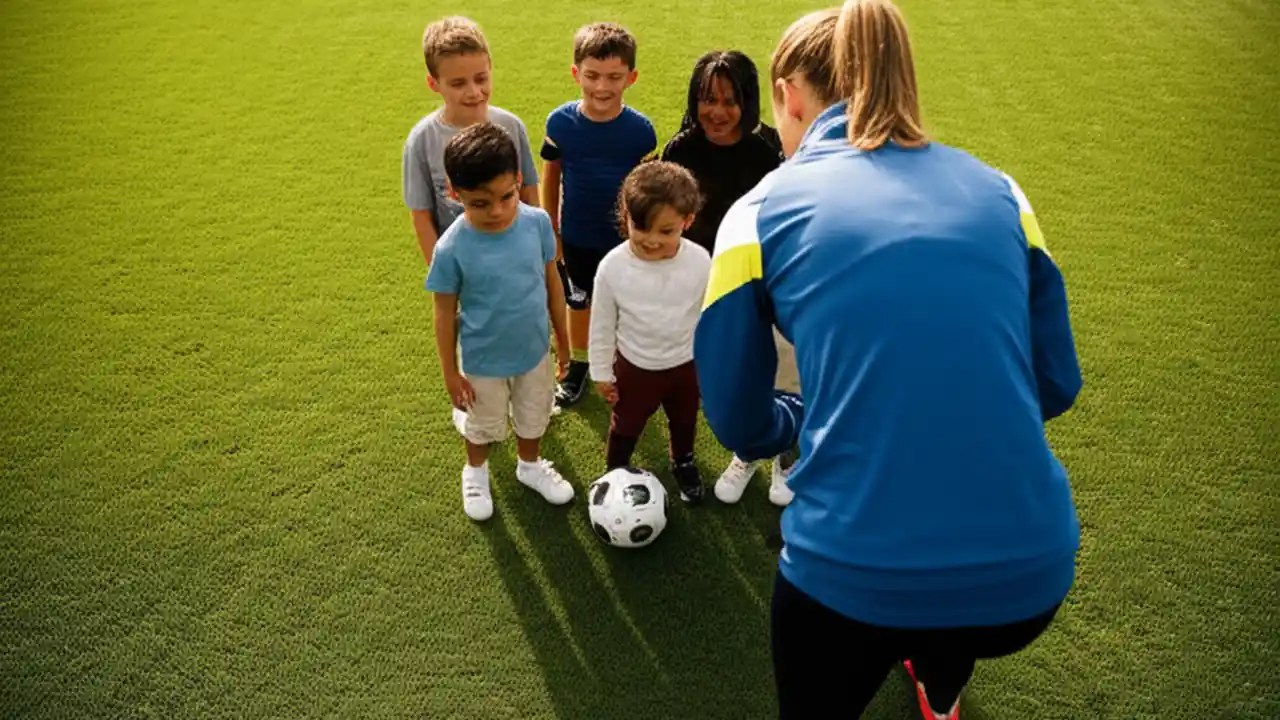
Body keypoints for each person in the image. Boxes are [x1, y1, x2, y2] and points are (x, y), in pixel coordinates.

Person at [693, 3, 1084, 719]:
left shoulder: (757, 211)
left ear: (787, 95)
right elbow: (1056, 383)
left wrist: (804, 415)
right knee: (949, 615)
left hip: (849, 581)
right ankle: (940, 689)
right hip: (1028, 580)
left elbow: (741, 423)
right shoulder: (1003, 191)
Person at [658, 50, 797, 507]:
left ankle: (785, 458)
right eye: (707, 99)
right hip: (704, 280)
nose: (716, 112)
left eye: (728, 100)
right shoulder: (680, 150)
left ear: (749, 101)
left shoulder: (769, 149)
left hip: (760, 279)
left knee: (775, 367)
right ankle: (748, 451)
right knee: (730, 370)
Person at [426, 123, 574, 523]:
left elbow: (552, 281)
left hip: (533, 351)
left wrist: (563, 337)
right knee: (482, 425)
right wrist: (450, 374)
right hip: (482, 361)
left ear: (519, 180)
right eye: (479, 203)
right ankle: (475, 471)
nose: (496, 211)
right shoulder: (452, 247)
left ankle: (529, 465)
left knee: (534, 412)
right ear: (454, 194)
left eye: (507, 196)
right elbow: (443, 312)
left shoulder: (537, 223)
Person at [402, 15, 542, 435]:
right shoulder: (422, 140)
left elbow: (530, 191)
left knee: (520, 320)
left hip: (516, 255)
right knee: (475, 332)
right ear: (435, 84)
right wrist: (443, 274)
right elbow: (421, 214)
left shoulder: (511, 126)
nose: (474, 91)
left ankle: (527, 400)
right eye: (458, 83)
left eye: (481, 78)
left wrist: (538, 250)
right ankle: (474, 403)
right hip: (464, 265)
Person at [541, 22, 658, 408]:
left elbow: (646, 187)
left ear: (631, 77)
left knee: (626, 302)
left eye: (614, 77)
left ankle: (624, 365)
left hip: (624, 240)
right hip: (576, 234)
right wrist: (550, 228)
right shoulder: (560, 123)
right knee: (579, 301)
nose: (602, 87)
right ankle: (578, 364)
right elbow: (551, 176)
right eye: (591, 76)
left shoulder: (642, 132)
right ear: (576, 73)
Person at [588, 162, 711, 503]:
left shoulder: (700, 261)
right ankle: (615, 472)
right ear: (625, 215)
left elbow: (710, 315)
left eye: (666, 231)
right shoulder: (613, 266)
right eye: (641, 227)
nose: (652, 240)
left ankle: (683, 460)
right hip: (635, 368)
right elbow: (601, 325)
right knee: (625, 425)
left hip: (685, 365)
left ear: (688, 221)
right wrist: (601, 372)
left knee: (685, 420)